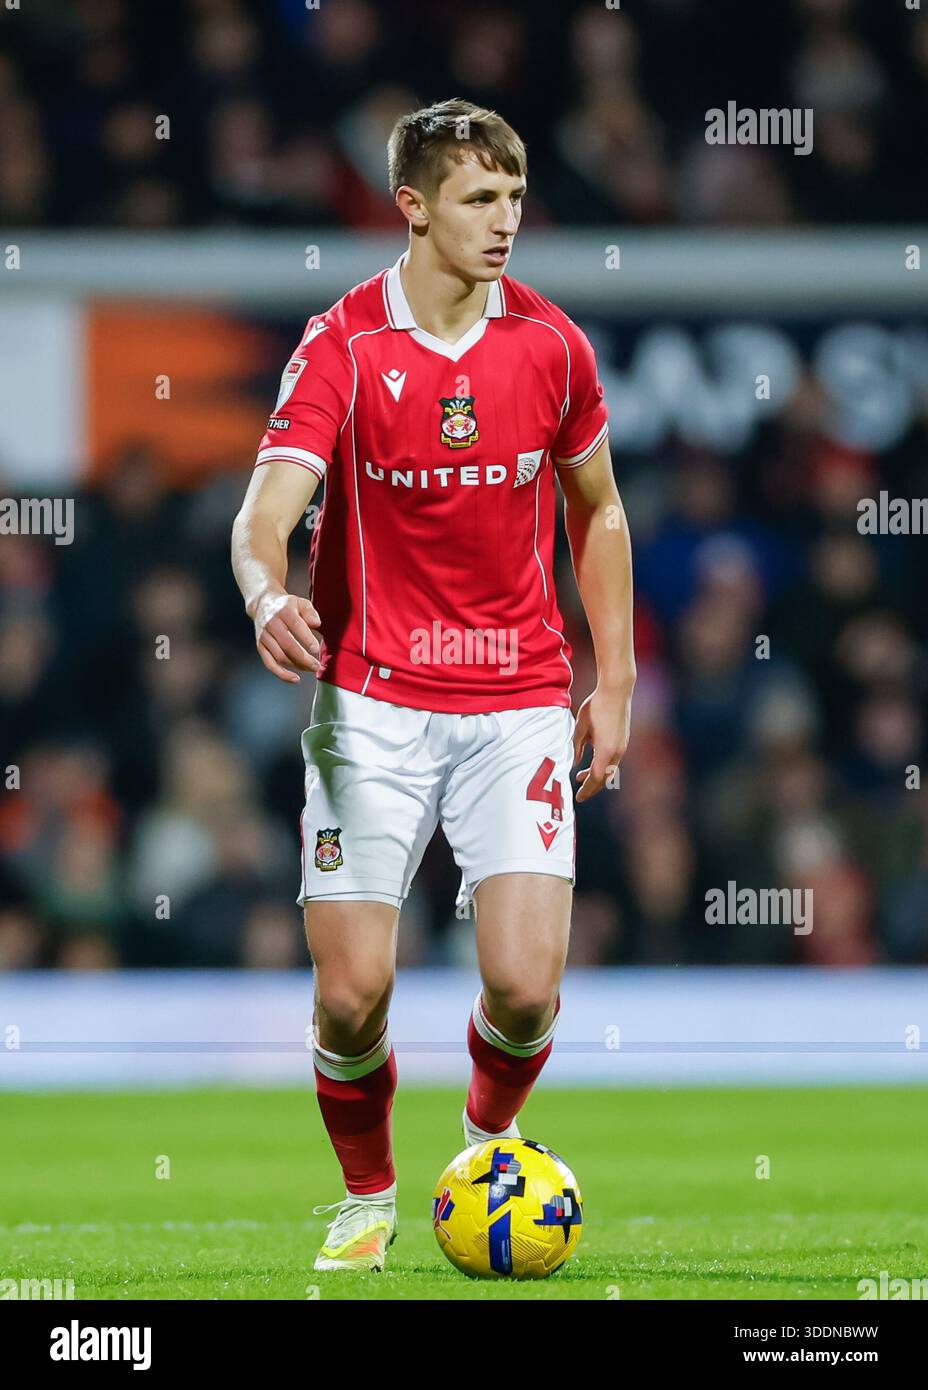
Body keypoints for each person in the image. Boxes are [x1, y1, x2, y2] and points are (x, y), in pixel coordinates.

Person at [231, 98, 635, 1272]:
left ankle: (486, 1145)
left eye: (513, 196)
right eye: (477, 199)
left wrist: (610, 681)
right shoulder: (344, 346)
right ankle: (366, 1194)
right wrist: (268, 599)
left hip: (515, 698)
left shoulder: (552, 345)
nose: (505, 220)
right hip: (370, 705)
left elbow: (597, 507)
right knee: (351, 997)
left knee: (522, 985)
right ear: (411, 208)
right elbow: (262, 519)